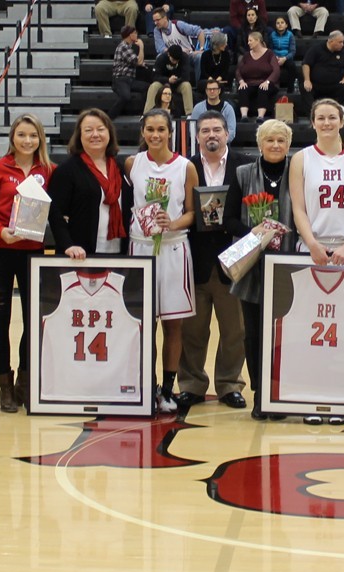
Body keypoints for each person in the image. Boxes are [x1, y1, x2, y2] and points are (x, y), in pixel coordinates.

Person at [289, 98, 344, 425]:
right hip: (312, 251)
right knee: (312, 331)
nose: (326, 123)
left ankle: (342, 398)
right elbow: (298, 208)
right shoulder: (301, 159)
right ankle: (312, 398)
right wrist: (311, 243)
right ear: (312, 123)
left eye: (331, 118)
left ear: (341, 121)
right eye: (320, 118)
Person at [0, 114, 55, 413]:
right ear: (12, 137)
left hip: (32, 254)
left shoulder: (48, 170)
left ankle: (24, 379)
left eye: (33, 135)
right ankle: (5, 385)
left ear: (40, 139)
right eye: (22, 135)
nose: (27, 141)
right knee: (0, 319)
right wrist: (0, 232)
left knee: (34, 320)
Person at [176, 111, 251, 410]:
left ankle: (229, 384)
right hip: (195, 260)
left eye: (217, 129)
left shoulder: (245, 166)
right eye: (205, 130)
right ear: (197, 136)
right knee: (192, 331)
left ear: (227, 133)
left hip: (233, 264)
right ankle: (192, 385)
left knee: (235, 331)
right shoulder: (186, 167)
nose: (211, 135)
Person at [125, 109, 199, 413]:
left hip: (172, 248)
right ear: (143, 132)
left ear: (170, 132)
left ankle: (167, 390)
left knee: (172, 324)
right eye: (150, 129)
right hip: (140, 248)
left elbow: (193, 213)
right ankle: (145, 386)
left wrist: (173, 223)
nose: (155, 135)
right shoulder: (132, 163)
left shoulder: (185, 167)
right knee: (142, 324)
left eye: (161, 129)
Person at [223, 119, 294, 421]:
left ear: (288, 145)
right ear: (259, 144)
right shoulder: (243, 173)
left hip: (288, 265)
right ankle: (260, 394)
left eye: (281, 140)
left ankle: (281, 392)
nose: (275, 145)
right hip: (253, 267)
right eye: (270, 140)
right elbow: (228, 219)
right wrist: (254, 234)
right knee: (253, 334)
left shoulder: (298, 171)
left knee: (285, 334)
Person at [47, 108, 129, 259]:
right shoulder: (67, 170)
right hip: (81, 255)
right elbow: (55, 212)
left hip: (119, 251)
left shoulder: (120, 168)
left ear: (109, 133)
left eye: (100, 129)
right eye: (88, 130)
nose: (95, 134)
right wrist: (68, 245)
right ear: (79, 135)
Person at [300, 31, 344, 115]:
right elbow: (306, 64)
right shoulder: (316, 49)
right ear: (331, 41)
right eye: (340, 42)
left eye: (343, 42)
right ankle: (313, 114)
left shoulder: (343, 53)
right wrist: (307, 80)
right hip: (315, 85)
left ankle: (337, 113)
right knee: (304, 88)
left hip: (334, 85)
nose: (342, 44)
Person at [151, 7, 210, 83]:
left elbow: (199, 31)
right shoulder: (157, 30)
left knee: (199, 56)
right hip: (171, 57)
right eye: (154, 21)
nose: (155, 23)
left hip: (188, 54)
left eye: (157, 20)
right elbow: (161, 48)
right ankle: (165, 83)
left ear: (165, 18)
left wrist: (201, 49)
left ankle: (199, 83)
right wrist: (179, 51)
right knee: (159, 57)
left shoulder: (178, 25)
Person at [236, 31, 280, 121]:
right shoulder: (246, 55)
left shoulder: (269, 54)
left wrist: (267, 81)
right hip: (250, 83)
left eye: (250, 40)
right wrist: (241, 81)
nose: (248, 43)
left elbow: (276, 70)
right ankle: (244, 116)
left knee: (262, 88)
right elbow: (238, 71)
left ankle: (260, 116)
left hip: (266, 82)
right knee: (242, 88)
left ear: (258, 41)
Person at [108, 25, 148, 118]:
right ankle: (109, 117)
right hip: (120, 79)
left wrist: (140, 63)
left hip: (130, 79)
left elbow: (135, 61)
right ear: (130, 35)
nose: (137, 35)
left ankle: (143, 113)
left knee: (147, 87)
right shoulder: (124, 47)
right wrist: (141, 47)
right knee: (125, 97)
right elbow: (138, 61)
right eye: (135, 33)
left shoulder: (129, 47)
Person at [145, 45, 194, 116]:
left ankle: (189, 114)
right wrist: (167, 80)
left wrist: (176, 80)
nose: (175, 62)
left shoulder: (184, 57)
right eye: (173, 60)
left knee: (187, 85)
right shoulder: (161, 58)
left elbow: (186, 76)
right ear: (168, 54)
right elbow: (155, 76)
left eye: (177, 60)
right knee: (154, 86)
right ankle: (147, 114)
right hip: (163, 83)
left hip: (178, 83)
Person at [190, 78, 238, 142]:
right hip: (202, 145)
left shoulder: (228, 108)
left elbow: (231, 131)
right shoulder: (198, 108)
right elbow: (193, 130)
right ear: (206, 91)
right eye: (209, 89)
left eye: (214, 89)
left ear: (219, 91)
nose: (212, 91)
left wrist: (220, 142)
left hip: (223, 144)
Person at [269, 17, 298, 91]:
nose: (280, 24)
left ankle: (290, 89)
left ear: (286, 25)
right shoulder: (272, 35)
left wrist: (284, 58)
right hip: (275, 57)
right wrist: (275, 57)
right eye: (278, 23)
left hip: (286, 57)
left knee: (292, 66)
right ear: (275, 25)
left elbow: (293, 51)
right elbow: (270, 49)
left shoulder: (290, 35)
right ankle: (273, 87)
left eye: (282, 23)